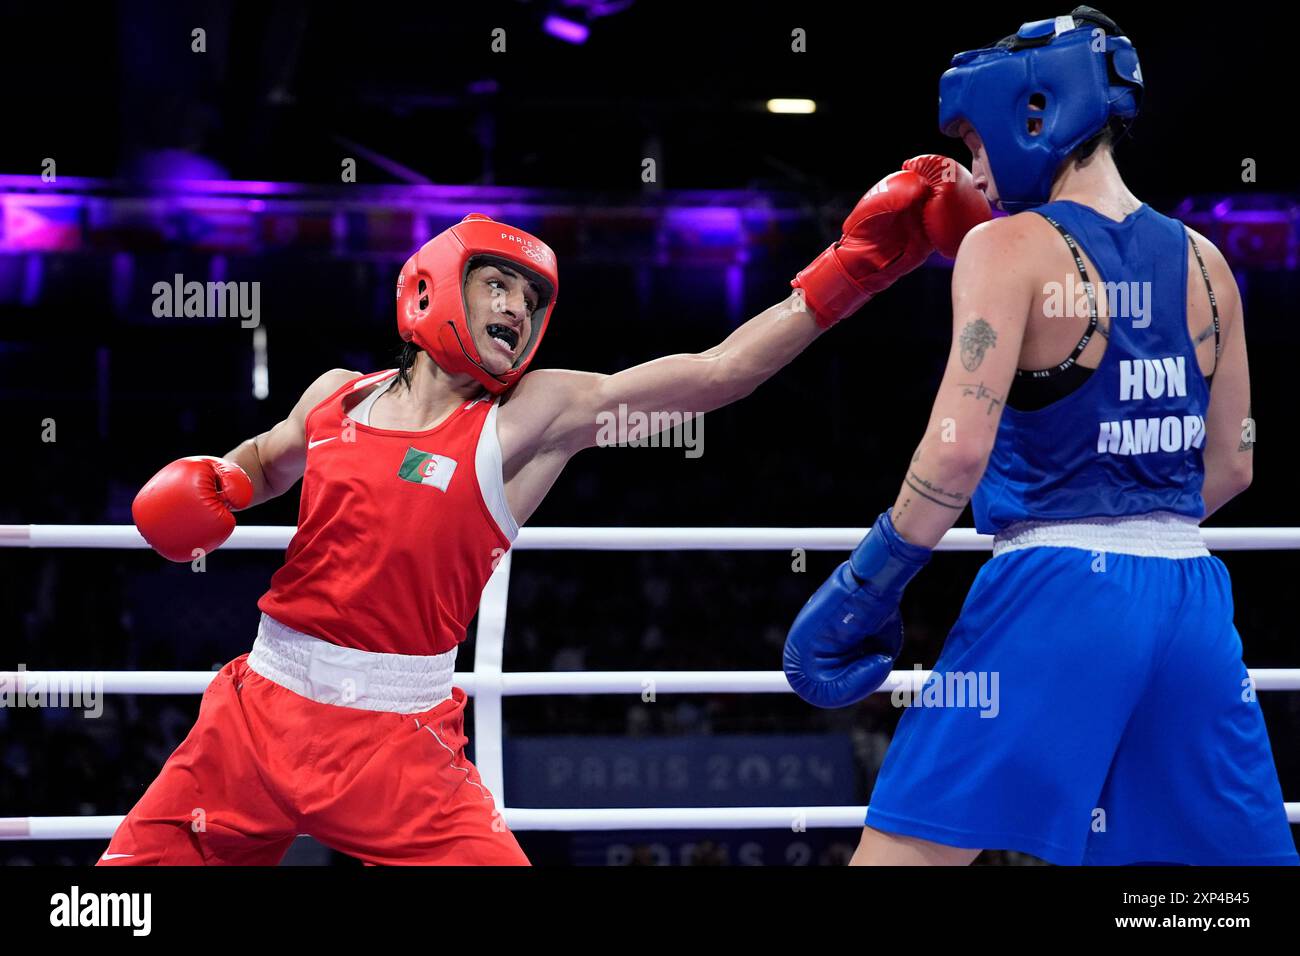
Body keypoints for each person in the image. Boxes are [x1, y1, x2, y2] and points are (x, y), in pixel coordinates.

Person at [106, 175, 989, 864]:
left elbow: (717, 373)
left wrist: (853, 268)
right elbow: (266, 461)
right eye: (498, 286)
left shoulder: (525, 419)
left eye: (531, 302)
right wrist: (220, 480)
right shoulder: (339, 396)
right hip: (256, 717)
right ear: (432, 288)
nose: (517, 312)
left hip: (397, 745)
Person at [784, 6, 1299, 865]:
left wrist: (868, 584)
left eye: (975, 142)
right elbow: (1235, 464)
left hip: (1056, 590)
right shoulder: (1211, 265)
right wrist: (1133, 516)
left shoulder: (1007, 248)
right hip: (1193, 601)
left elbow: (954, 448)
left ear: (1033, 115)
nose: (974, 170)